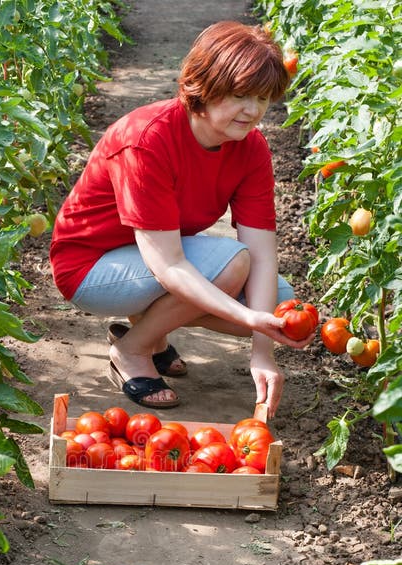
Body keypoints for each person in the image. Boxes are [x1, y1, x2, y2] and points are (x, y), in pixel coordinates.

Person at [49, 20, 312, 415]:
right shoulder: (147, 138)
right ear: (202, 87)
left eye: (262, 98)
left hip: (147, 255)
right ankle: (132, 349)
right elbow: (169, 264)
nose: (253, 110)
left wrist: (262, 349)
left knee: (280, 304)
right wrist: (247, 315)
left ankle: (149, 329)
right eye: (240, 95)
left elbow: (262, 248)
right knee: (232, 266)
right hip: (91, 266)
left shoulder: (251, 148)